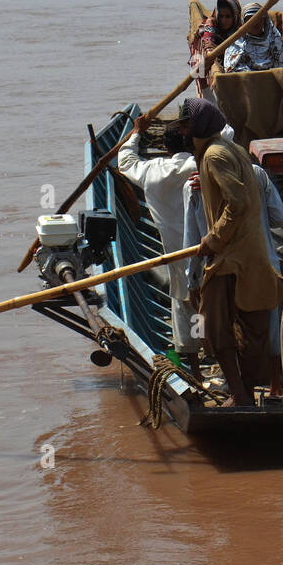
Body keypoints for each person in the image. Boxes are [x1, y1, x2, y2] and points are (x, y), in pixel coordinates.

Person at [177, 98, 283, 407]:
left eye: (186, 125)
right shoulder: (236, 150)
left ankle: (239, 393)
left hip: (230, 258)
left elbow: (236, 203)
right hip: (254, 257)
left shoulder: (213, 156)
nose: (184, 131)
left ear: (198, 127)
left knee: (213, 326)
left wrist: (212, 239)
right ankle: (247, 393)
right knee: (252, 328)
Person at [185, 161, 283, 397]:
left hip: (220, 270)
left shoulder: (194, 185)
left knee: (222, 331)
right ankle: (274, 385)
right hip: (263, 265)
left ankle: (239, 392)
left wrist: (191, 280)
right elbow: (280, 217)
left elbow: (192, 240)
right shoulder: (257, 173)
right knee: (265, 327)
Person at [117, 114, 200, 373]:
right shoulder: (204, 165)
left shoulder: (151, 172)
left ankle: (195, 369)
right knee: (215, 301)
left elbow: (126, 161)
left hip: (175, 255)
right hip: (209, 248)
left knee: (184, 303)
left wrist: (136, 132)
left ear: (166, 149)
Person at [189, 0, 241, 103]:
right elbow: (208, 41)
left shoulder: (240, 29)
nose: (223, 20)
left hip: (225, 53)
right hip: (207, 55)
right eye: (221, 16)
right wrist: (211, 52)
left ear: (235, 16)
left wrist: (223, 50)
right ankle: (207, 94)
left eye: (228, 16)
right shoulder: (211, 23)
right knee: (200, 62)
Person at [222, 2, 283, 73]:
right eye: (250, 20)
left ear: (264, 21)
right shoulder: (237, 44)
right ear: (244, 22)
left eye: (258, 19)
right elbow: (232, 69)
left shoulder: (275, 41)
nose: (255, 23)